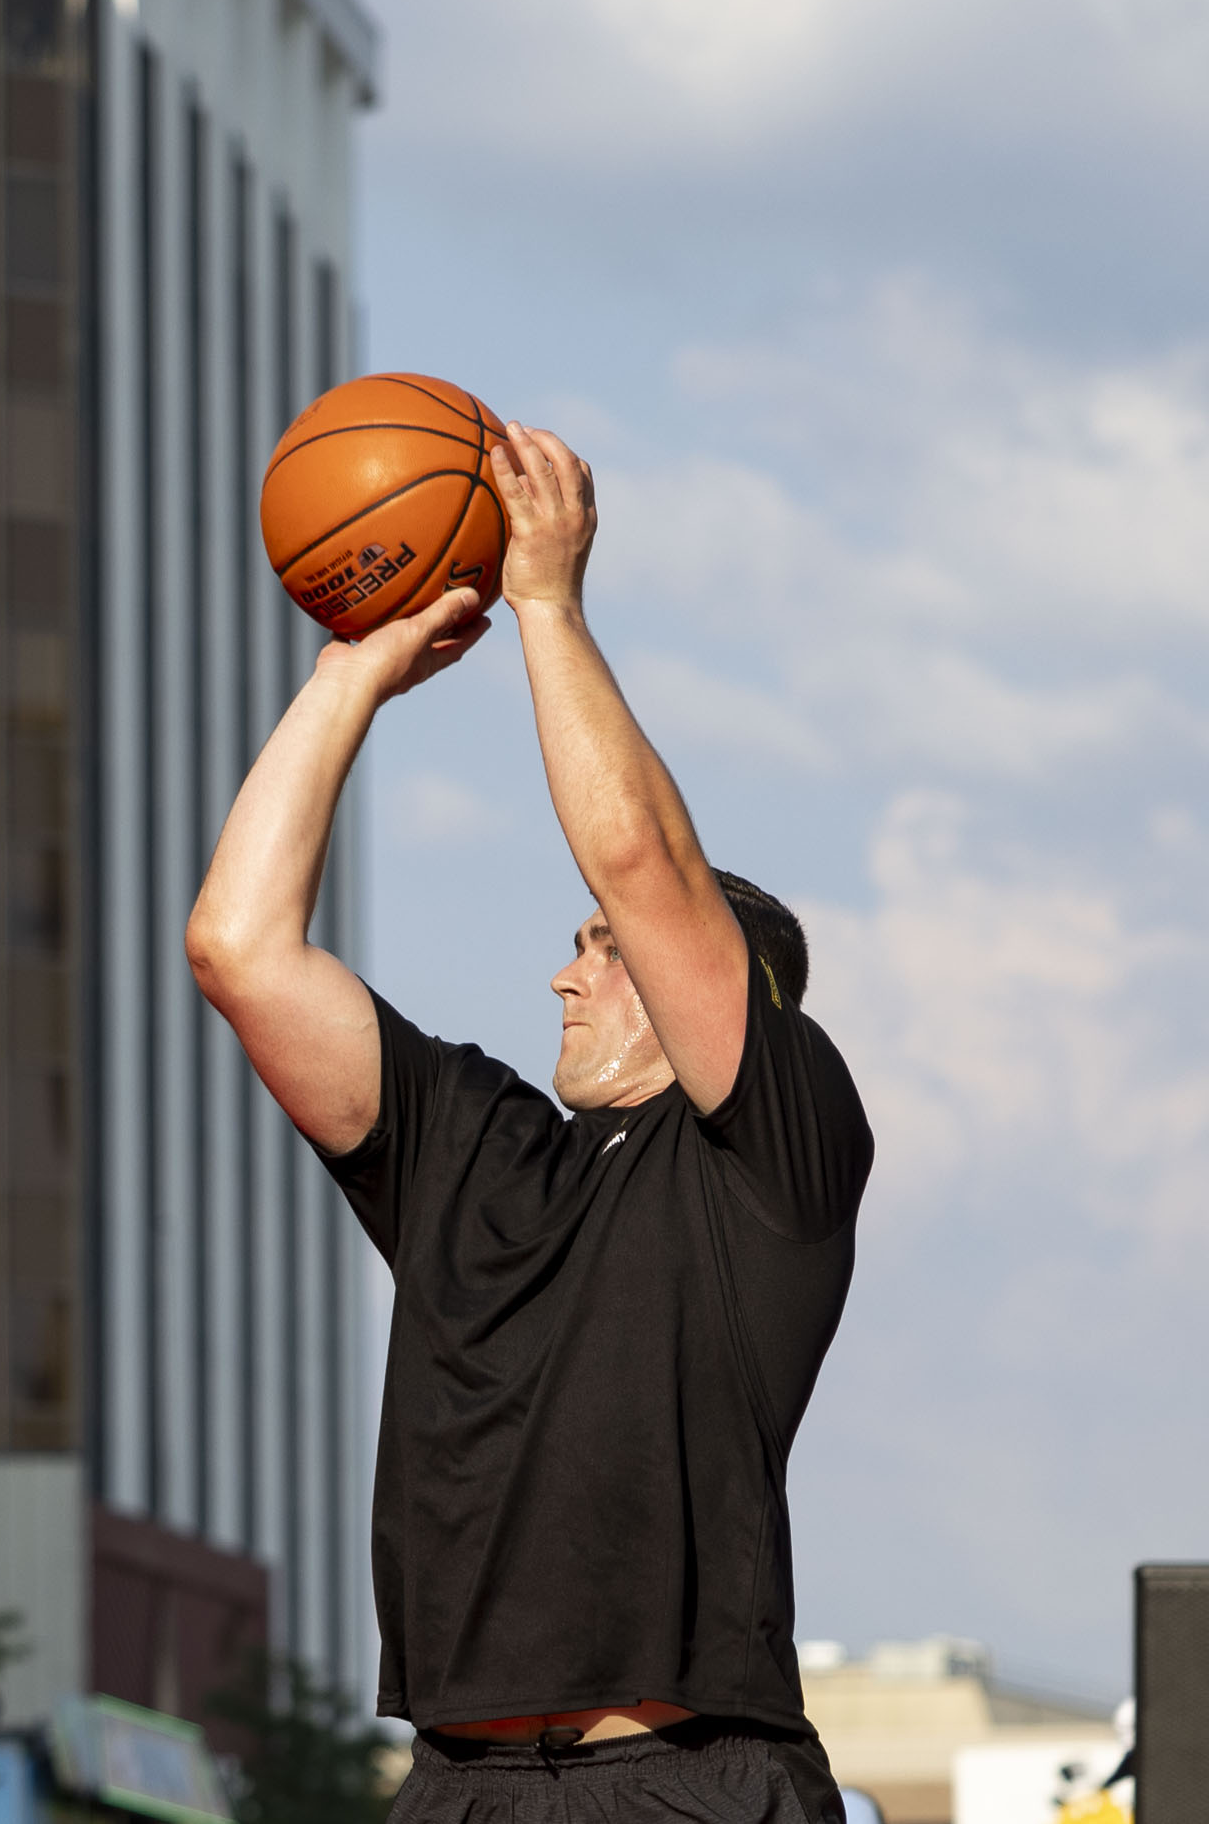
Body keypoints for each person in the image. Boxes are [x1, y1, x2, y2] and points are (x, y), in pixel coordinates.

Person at [187, 422, 871, 1821]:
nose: (568, 966)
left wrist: (547, 603)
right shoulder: (479, 1149)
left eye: (604, 948)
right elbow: (239, 945)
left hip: (685, 1781)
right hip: (459, 1786)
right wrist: (352, 672)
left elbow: (638, 859)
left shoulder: (777, 1154)